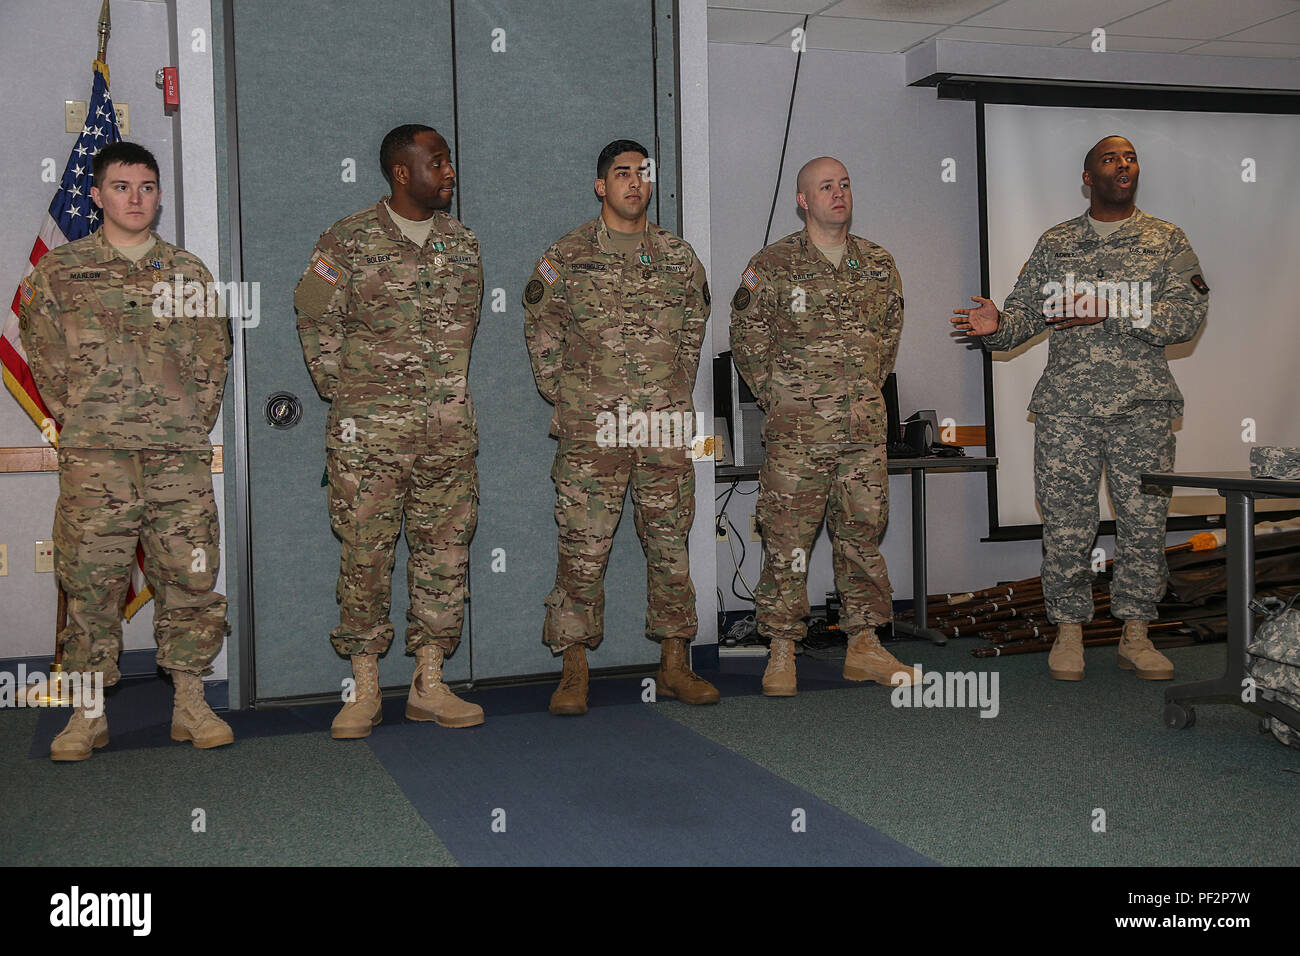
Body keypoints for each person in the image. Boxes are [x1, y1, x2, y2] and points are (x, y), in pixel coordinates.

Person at [952, 135, 1209, 681]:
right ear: (1088, 176)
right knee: (1068, 524)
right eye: (1111, 158)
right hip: (1068, 407)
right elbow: (1024, 313)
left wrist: (1108, 307)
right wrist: (997, 329)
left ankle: (1136, 635)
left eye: (1132, 157)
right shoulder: (1058, 243)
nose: (1124, 165)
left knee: (1143, 523)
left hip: (1143, 407)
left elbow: (1185, 317)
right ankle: (1068, 632)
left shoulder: (1165, 240)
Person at [20, 141, 232, 760]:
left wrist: (184, 424)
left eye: (146, 186)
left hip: (177, 459)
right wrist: (86, 418)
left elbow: (211, 361)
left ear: (159, 195)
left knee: (191, 578)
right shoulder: (60, 273)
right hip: (97, 461)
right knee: (90, 583)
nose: (134, 198)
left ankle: (189, 703)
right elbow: (47, 362)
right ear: (96, 195)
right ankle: (88, 714)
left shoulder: (188, 273)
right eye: (121, 186)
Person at [294, 124, 484, 737]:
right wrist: (345, 391)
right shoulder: (346, 240)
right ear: (402, 173)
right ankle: (366, 687)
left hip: (446, 435)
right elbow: (311, 313)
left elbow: (464, 333)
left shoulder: (463, 245)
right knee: (365, 557)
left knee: (444, 556)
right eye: (437, 162)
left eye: (449, 161)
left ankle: (430, 682)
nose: (449, 171)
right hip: (367, 440)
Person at [523, 138, 718, 715]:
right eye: (622, 173)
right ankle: (574, 668)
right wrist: (572, 399)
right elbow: (542, 334)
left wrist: (671, 394)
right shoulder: (566, 256)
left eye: (643, 173)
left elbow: (691, 336)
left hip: (663, 428)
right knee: (583, 547)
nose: (635, 182)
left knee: (669, 545)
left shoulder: (679, 258)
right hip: (593, 430)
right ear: (600, 185)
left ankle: (676, 665)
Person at [730, 156, 920, 697]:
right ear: (803, 200)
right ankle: (783, 649)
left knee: (862, 536)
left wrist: (856, 395)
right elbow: (747, 341)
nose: (838, 194)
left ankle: (864, 645)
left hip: (862, 435)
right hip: (796, 436)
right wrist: (786, 400)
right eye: (825, 187)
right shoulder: (770, 265)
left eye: (844, 185)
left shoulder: (879, 264)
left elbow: (886, 341)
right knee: (788, 540)